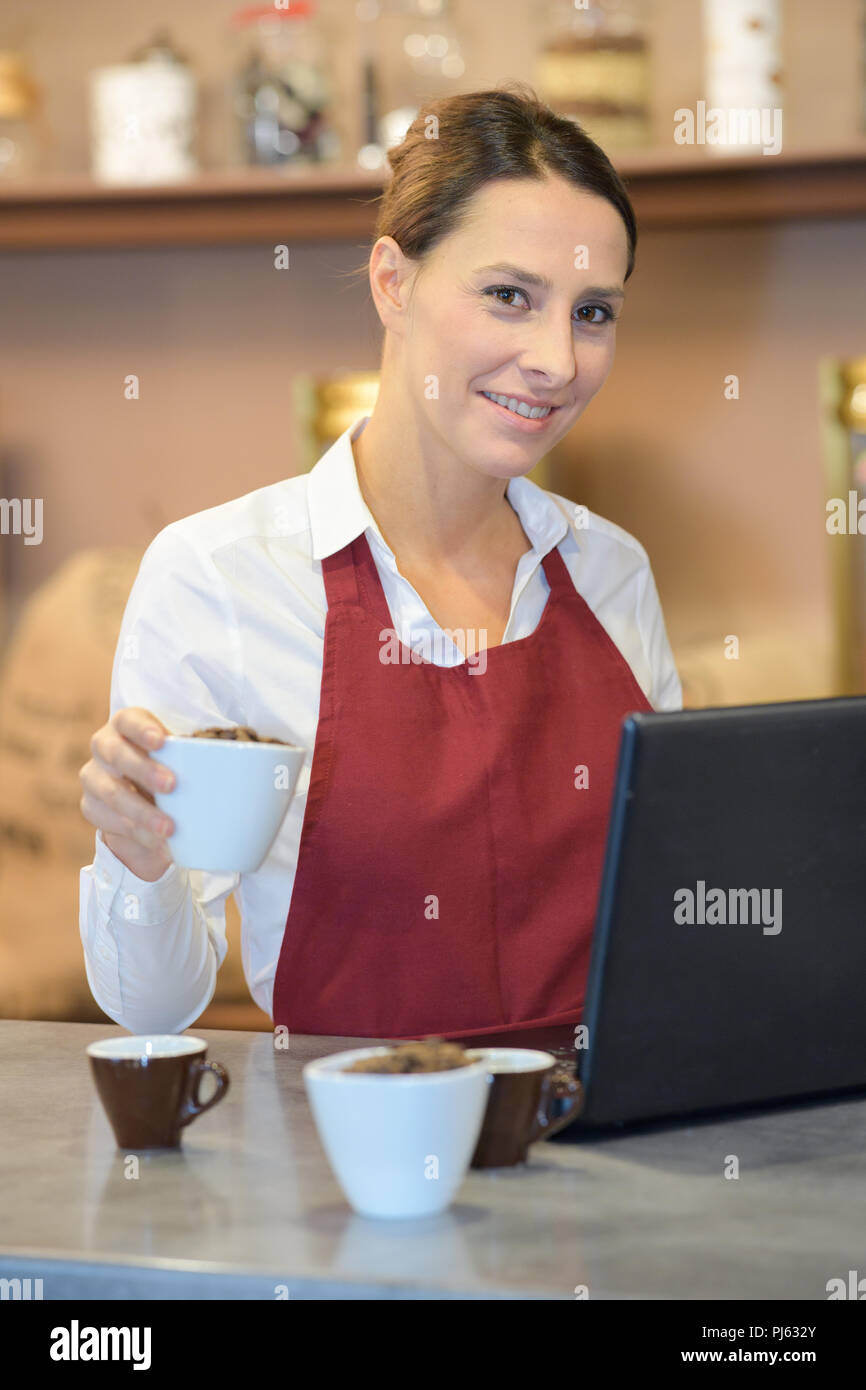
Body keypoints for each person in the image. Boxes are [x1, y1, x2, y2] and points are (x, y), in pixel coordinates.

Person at [78, 85, 681, 1040]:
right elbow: (154, 1006)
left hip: (604, 1153)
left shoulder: (611, 572)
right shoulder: (223, 578)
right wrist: (135, 856)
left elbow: (664, 916)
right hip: (348, 1161)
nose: (557, 360)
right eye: (509, 296)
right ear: (393, 282)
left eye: (593, 311)